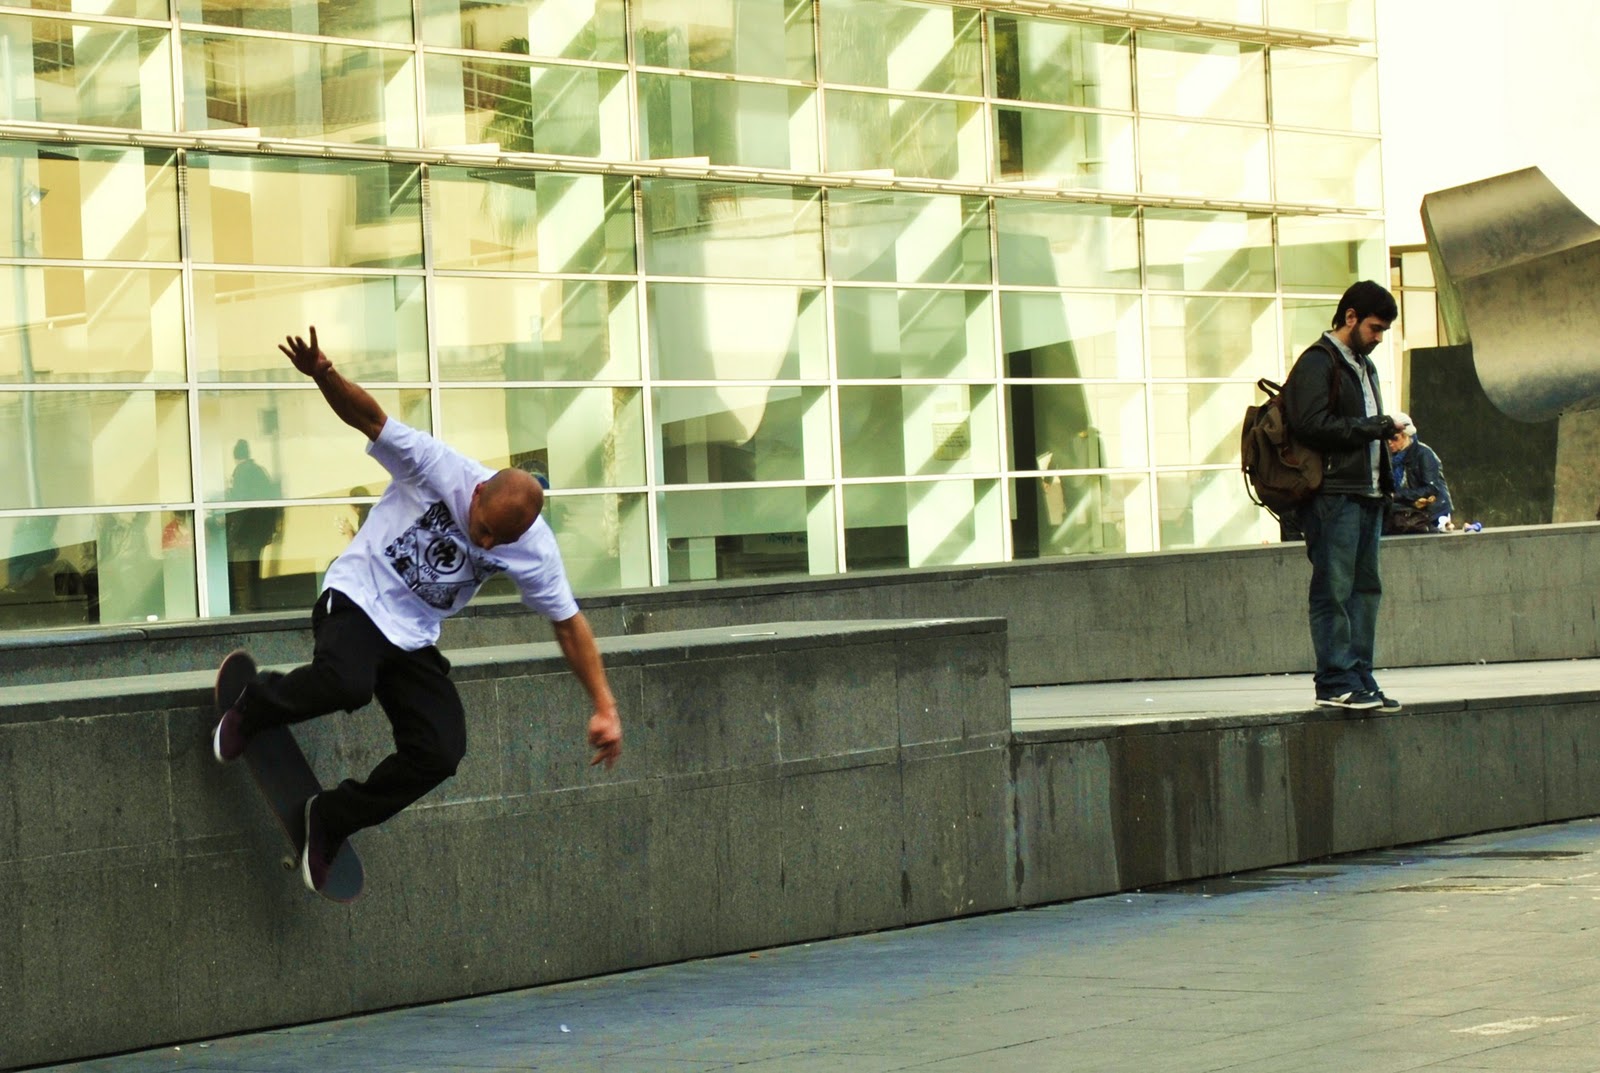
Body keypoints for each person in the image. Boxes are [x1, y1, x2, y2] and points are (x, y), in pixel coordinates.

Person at [213, 326, 623, 894]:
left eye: (497, 544)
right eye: (480, 529)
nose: (484, 545)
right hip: (358, 596)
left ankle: (329, 817)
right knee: (348, 683)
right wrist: (325, 374)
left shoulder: (533, 547)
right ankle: (255, 704)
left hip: (410, 638)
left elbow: (567, 621)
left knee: (440, 749)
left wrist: (604, 704)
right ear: (478, 494)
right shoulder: (439, 466)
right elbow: (370, 418)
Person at [1282, 280, 1402, 712]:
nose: (1378, 337)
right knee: (1333, 589)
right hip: (1333, 494)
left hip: (1367, 492)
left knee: (1365, 590)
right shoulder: (1319, 362)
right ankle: (1335, 681)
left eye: (1384, 330)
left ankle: (1360, 679)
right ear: (1349, 317)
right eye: (1374, 327)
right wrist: (1376, 427)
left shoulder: (1363, 365)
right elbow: (1309, 423)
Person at [225, 440, 282, 611]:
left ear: (235, 457)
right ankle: (256, 602)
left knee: (240, 567)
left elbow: (240, 501)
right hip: (261, 528)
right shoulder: (260, 471)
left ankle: (245, 604)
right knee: (255, 567)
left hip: (246, 530)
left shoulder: (241, 472)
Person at [1383, 412, 1453, 534]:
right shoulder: (1388, 457)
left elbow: (1431, 489)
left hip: (1430, 513)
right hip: (1405, 508)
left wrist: (1397, 495)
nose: (1389, 442)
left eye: (1394, 438)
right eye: (1386, 438)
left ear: (1406, 435)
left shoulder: (1423, 454)